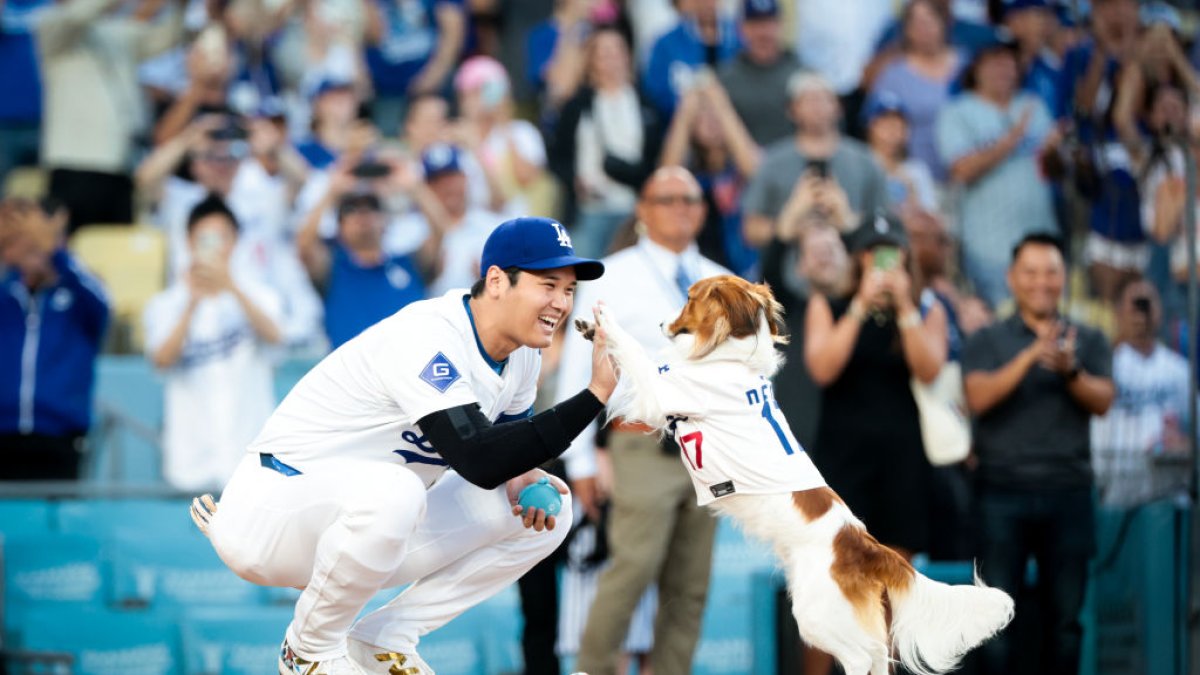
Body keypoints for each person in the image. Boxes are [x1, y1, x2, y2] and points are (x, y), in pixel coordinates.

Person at [192, 215, 616, 675]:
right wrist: (594, 395)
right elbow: (478, 456)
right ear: (496, 280)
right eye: (548, 284)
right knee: (397, 490)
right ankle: (307, 650)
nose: (561, 302)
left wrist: (523, 473)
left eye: (569, 290)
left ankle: (384, 636)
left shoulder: (523, 358)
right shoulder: (428, 335)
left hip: (369, 529)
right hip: (273, 514)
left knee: (552, 508)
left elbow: (507, 455)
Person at [558, 166, 728, 675]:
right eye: (668, 198)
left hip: (708, 446)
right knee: (631, 570)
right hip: (640, 443)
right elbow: (578, 368)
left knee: (690, 584)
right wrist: (581, 458)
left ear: (702, 209)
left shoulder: (721, 281)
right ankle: (593, 669)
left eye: (690, 199)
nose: (681, 207)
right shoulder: (613, 273)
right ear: (643, 210)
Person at [962, 233, 1115, 675]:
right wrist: (1031, 355)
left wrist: (1071, 371)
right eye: (1031, 272)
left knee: (1066, 624)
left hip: (1067, 491)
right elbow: (978, 397)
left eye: (1051, 272)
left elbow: (1104, 400)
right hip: (999, 494)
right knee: (993, 623)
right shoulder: (987, 339)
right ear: (1012, 279)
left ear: (1064, 278)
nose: (1041, 282)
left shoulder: (1088, 339)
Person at [143, 195, 284, 491]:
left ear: (236, 241)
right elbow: (161, 360)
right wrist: (191, 302)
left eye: (223, 237)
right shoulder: (166, 303)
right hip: (190, 458)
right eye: (205, 238)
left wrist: (230, 286)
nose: (215, 247)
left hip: (249, 454)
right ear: (189, 241)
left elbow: (276, 336)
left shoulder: (260, 294)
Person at [35, 0, 182, 234]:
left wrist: (181, 5)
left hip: (120, 167)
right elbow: (80, 14)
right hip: (74, 166)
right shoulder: (52, 24)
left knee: (115, 257)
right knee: (70, 255)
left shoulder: (118, 32)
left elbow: (168, 37)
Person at [936, 37, 1058, 309]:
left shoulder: (1033, 105)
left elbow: (1053, 171)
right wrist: (1010, 140)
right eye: (994, 63)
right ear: (976, 69)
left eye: (1009, 63)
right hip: (989, 248)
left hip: (1040, 242)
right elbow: (961, 169)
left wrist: (1058, 150)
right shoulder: (958, 111)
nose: (1003, 70)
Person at [0, 197, 109, 479]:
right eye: (26, 242)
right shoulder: (5, 294)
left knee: (59, 522)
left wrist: (56, 252)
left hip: (60, 438)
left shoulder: (79, 295)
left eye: (40, 243)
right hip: (3, 434)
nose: (34, 251)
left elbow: (104, 305)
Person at [295, 157, 448, 347]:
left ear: (385, 221)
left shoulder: (408, 264)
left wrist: (414, 187)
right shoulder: (333, 268)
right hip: (350, 374)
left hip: (407, 370)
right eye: (351, 209)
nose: (363, 214)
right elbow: (304, 244)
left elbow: (440, 231)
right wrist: (331, 193)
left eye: (372, 207)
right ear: (339, 227)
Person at [742, 72, 889, 249]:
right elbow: (751, 230)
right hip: (783, 267)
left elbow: (885, 223)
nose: (817, 107)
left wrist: (848, 221)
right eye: (809, 100)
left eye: (824, 99)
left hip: (851, 263)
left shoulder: (866, 160)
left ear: (838, 107)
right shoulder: (773, 162)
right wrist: (788, 223)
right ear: (792, 109)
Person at [1091, 278, 1191, 507]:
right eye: (1135, 304)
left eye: (1147, 303)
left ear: (1160, 311)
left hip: (1168, 490)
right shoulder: (1103, 364)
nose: (1140, 313)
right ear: (1117, 312)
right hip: (1113, 487)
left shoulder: (1178, 369)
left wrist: (1185, 443)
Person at [716, 0, 804, 147]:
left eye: (769, 23)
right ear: (741, 29)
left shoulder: (803, 76)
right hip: (738, 166)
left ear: (781, 25)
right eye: (755, 24)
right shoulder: (725, 80)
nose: (763, 32)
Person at [641, 0, 740, 118]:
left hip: (737, 122)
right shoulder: (666, 44)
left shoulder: (739, 36)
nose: (707, 3)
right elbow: (655, 92)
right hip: (680, 123)